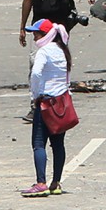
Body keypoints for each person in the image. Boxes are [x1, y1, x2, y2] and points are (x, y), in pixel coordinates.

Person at [22, 20, 72, 197]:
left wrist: (35, 95)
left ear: (45, 35)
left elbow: (36, 73)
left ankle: (41, 182)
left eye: (36, 33)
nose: (34, 36)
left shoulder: (43, 52)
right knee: (58, 144)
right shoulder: (62, 51)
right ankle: (56, 182)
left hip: (45, 102)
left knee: (38, 143)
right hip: (61, 102)